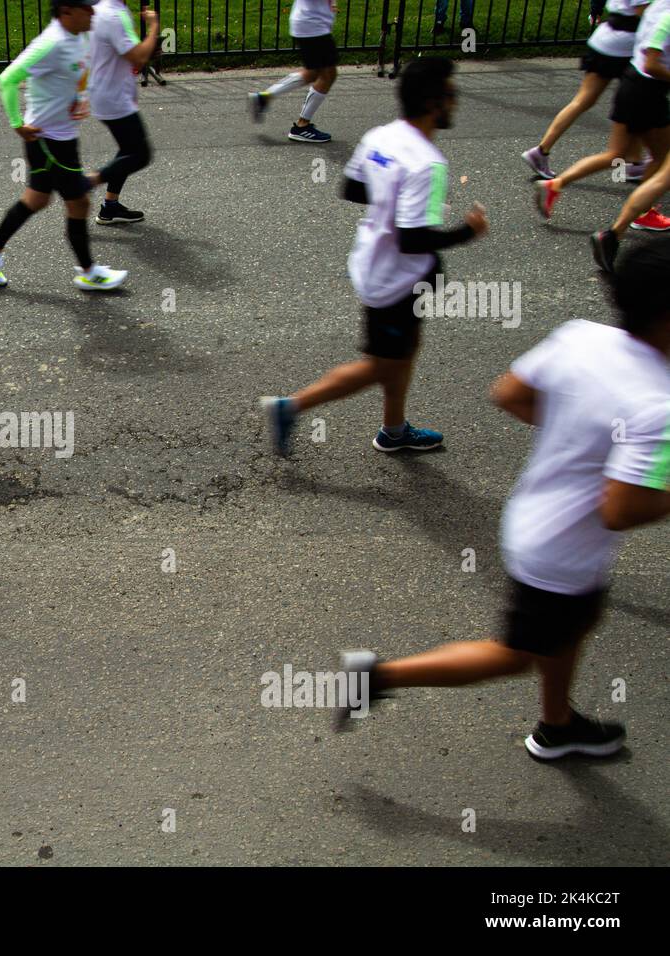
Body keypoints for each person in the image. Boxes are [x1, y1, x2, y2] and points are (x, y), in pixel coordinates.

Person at [336, 240, 670, 761]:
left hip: (532, 519)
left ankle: (558, 725)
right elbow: (622, 510)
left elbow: (509, 393)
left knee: (565, 630)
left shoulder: (581, 339)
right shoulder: (659, 406)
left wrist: (578, 433)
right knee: (514, 655)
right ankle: (375, 677)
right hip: (562, 556)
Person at [261, 57, 488, 455]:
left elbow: (350, 188)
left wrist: (390, 197)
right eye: (452, 95)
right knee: (382, 365)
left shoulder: (381, 136)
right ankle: (291, 407)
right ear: (434, 103)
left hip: (380, 264)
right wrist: (467, 232)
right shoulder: (428, 164)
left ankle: (394, 430)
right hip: (393, 280)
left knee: (406, 349)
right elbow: (411, 239)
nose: (456, 103)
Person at [0, 0, 128, 292]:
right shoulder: (51, 43)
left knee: (37, 199)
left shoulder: (78, 36)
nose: (94, 12)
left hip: (60, 136)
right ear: (66, 11)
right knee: (79, 202)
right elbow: (7, 78)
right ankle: (88, 272)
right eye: (87, 7)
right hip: (49, 141)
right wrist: (16, 122)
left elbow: (78, 73)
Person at [535, 0, 670, 262]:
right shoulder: (666, 14)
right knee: (662, 160)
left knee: (617, 154)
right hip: (648, 93)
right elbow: (654, 62)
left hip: (632, 82)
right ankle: (636, 218)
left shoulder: (657, 7)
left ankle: (556, 184)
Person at [522, 0, 652, 182]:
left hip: (606, 39)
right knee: (632, 106)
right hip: (625, 46)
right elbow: (646, 15)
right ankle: (629, 164)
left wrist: (595, 10)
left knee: (585, 100)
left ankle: (541, 151)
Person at [88, 0, 159, 224]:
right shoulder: (113, 15)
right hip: (114, 98)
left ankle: (110, 207)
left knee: (128, 150)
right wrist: (154, 27)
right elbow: (138, 57)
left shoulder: (100, 8)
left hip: (107, 92)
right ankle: (85, 183)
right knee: (140, 154)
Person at [248, 0, 337, 143]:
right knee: (328, 75)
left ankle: (264, 97)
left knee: (313, 73)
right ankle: (302, 127)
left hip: (311, 24)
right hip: (313, 26)